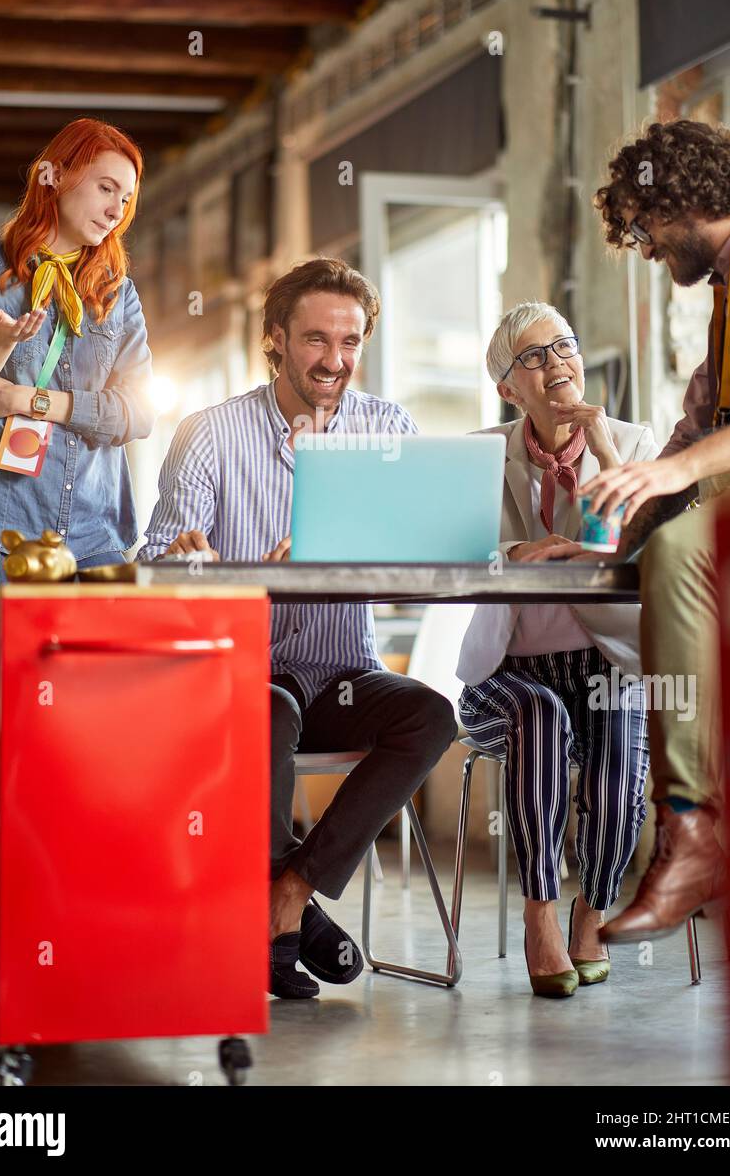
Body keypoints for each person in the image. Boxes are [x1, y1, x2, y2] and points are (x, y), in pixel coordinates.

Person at [138, 258, 457, 999]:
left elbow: (420, 551)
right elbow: (155, 557)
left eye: (350, 343)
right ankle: (284, 933)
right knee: (271, 706)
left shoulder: (389, 428)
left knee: (431, 716)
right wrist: (211, 558)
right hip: (249, 674)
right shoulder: (212, 433)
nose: (335, 361)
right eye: (316, 340)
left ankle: (289, 893)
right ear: (275, 339)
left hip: (346, 674)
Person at [583, 118, 730, 942]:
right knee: (657, 554)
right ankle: (697, 828)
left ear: (681, 199)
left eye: (644, 226)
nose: (647, 248)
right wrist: (606, 536)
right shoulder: (729, 303)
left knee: (683, 557)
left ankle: (692, 830)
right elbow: (695, 434)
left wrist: (673, 477)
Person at [457, 301, 656, 996]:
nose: (557, 365)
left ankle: (591, 911)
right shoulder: (480, 455)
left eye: (563, 347)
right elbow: (457, 550)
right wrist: (522, 552)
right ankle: (540, 914)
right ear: (508, 388)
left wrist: (602, 451)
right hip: (506, 673)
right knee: (539, 718)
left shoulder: (634, 445)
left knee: (618, 756)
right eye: (533, 358)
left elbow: (646, 547)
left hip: (608, 663)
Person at [0, 118, 155, 591]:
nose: (115, 210)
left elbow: (139, 415)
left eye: (126, 199)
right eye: (105, 188)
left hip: (93, 532)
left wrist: (31, 401)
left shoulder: (118, 294)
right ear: (56, 177)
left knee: (97, 663)